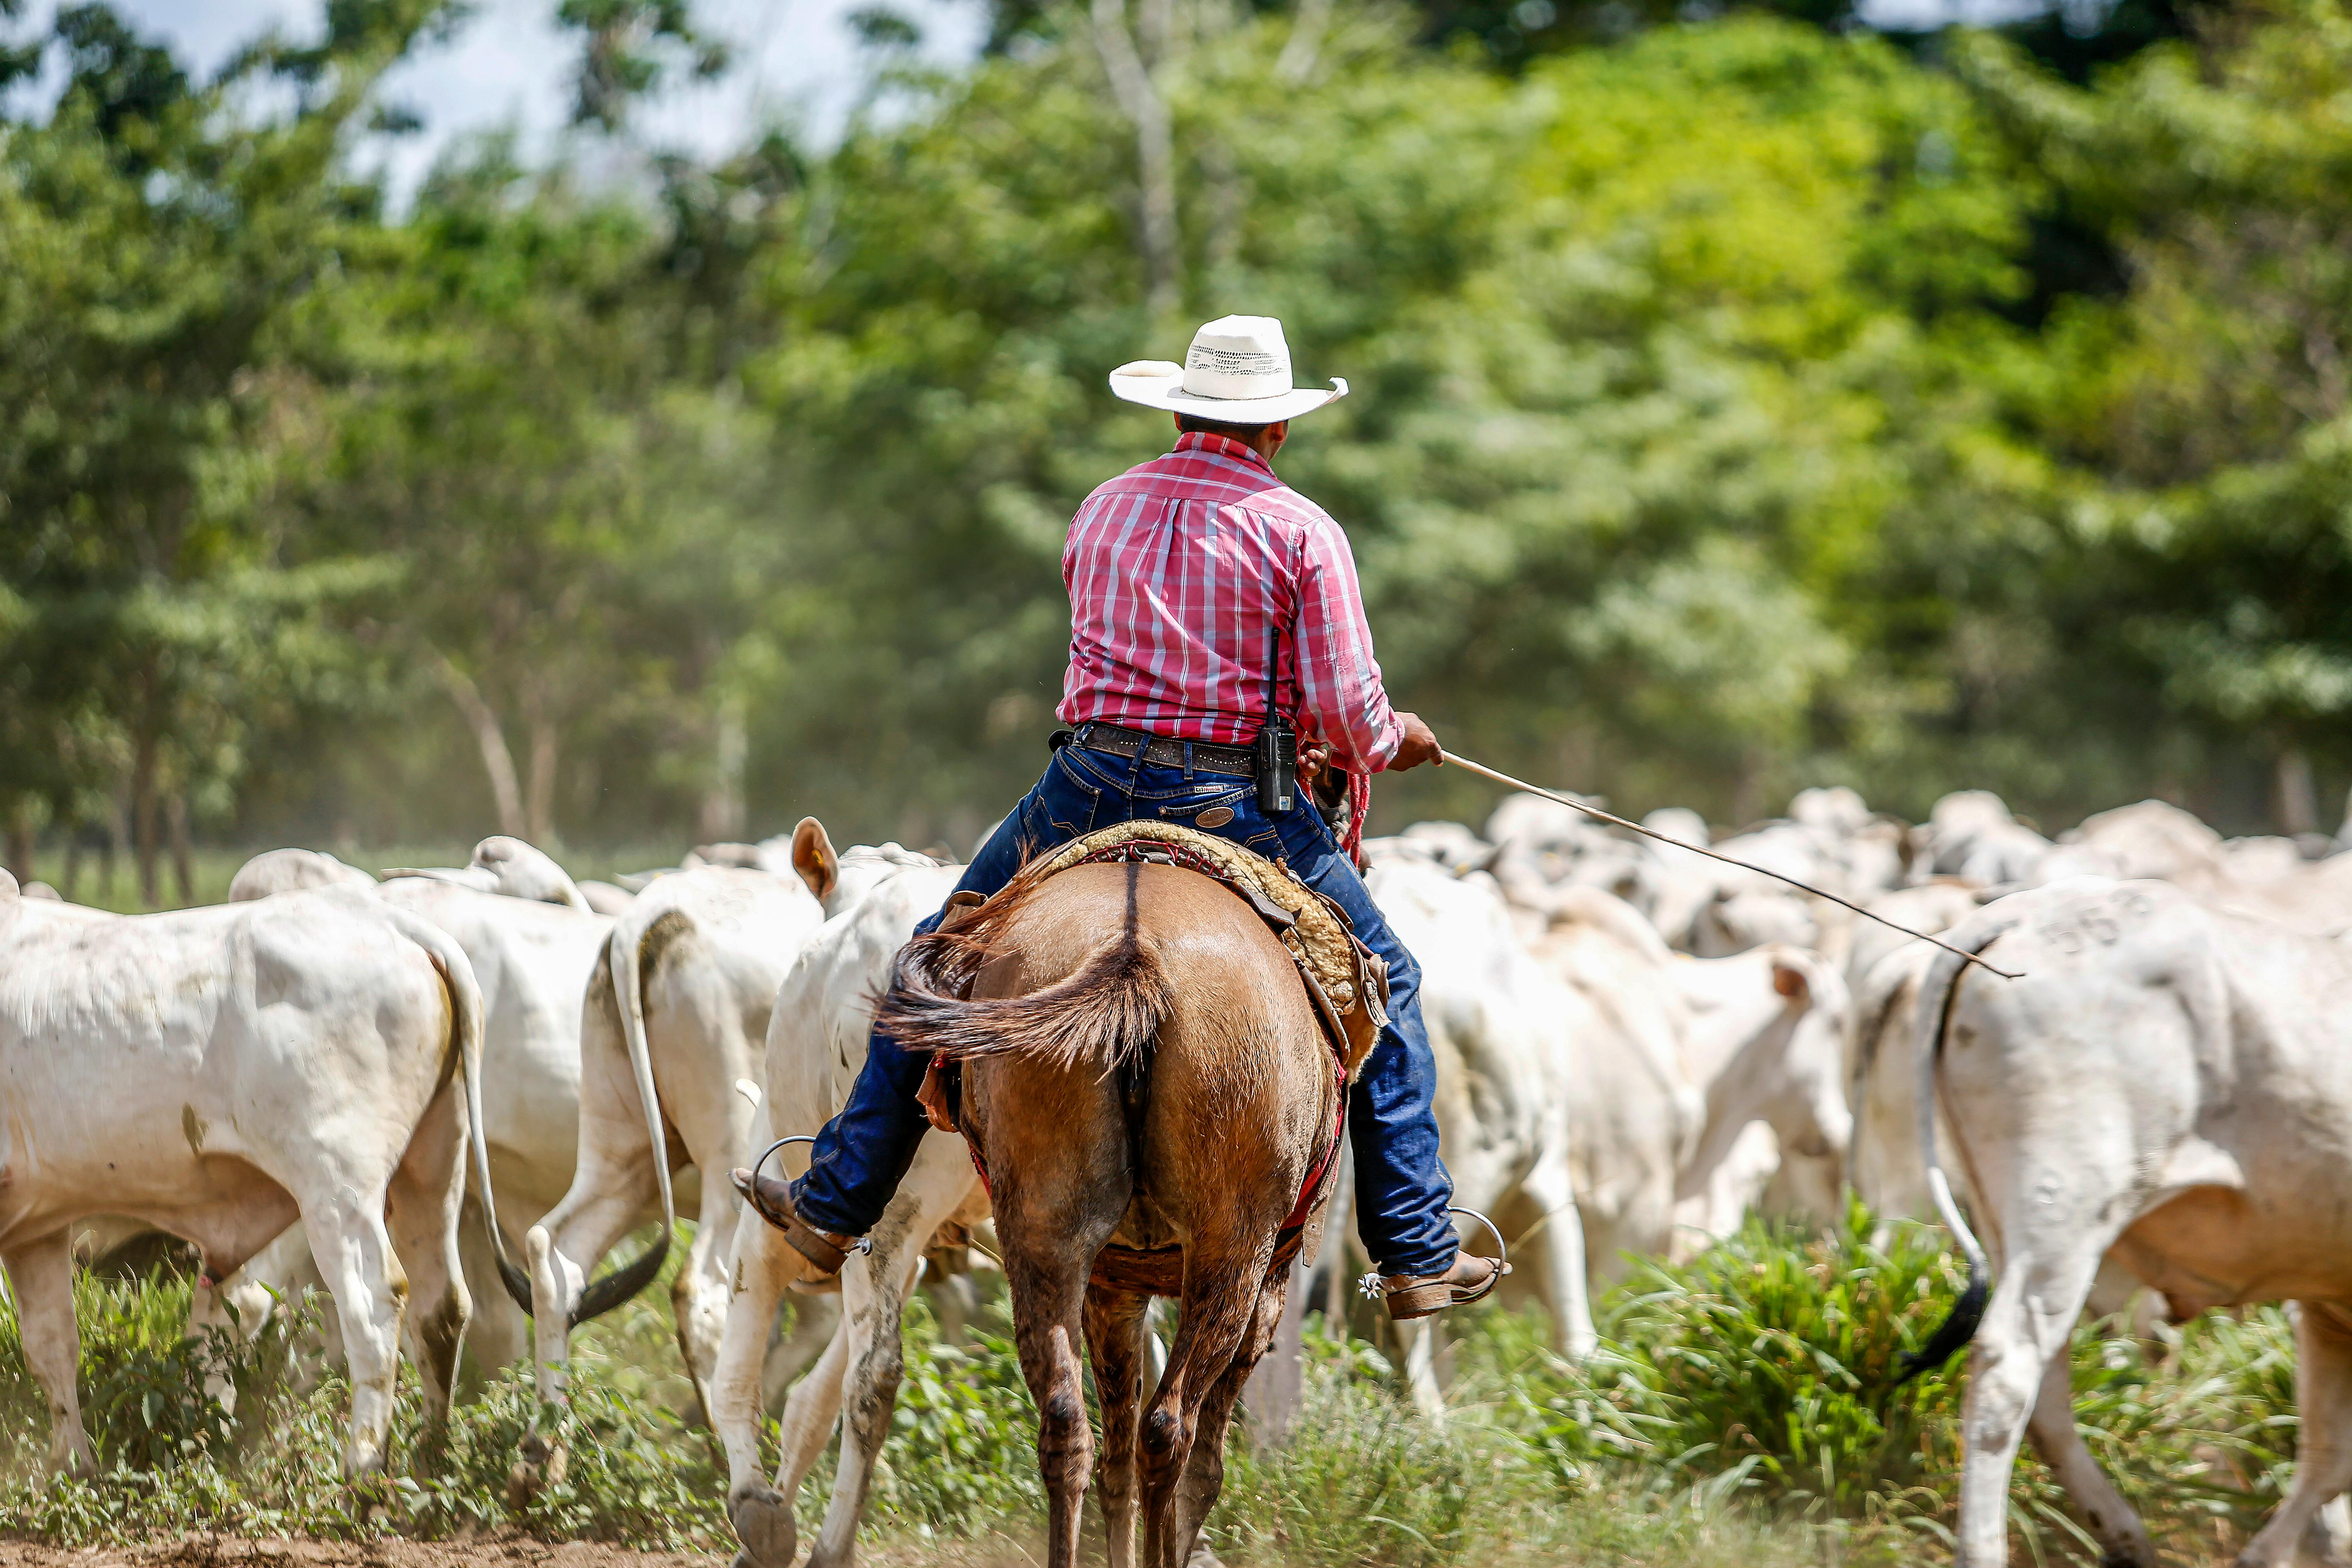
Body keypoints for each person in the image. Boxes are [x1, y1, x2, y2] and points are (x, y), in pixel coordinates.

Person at [734, 314, 1498, 1318]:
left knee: (934, 957)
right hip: (1237, 803)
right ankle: (1413, 1250)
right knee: (1388, 983)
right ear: (1277, 429)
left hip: (1085, 785)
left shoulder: (1102, 508)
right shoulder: (1303, 531)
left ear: (1178, 409)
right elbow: (1347, 721)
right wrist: (1396, 736)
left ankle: (836, 1203)